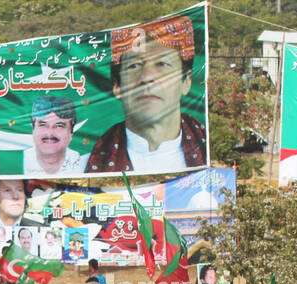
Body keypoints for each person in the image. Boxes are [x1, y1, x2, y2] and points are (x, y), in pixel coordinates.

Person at [84, 14, 207, 174]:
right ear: (117, 86)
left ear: (186, 82)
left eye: (163, 64)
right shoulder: (85, 167)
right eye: (134, 65)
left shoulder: (210, 155)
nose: (147, 77)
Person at [24, 96, 86, 176]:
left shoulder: (84, 163)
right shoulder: (17, 160)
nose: (50, 133)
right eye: (43, 125)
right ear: (33, 128)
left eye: (59, 126)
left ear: (71, 132)